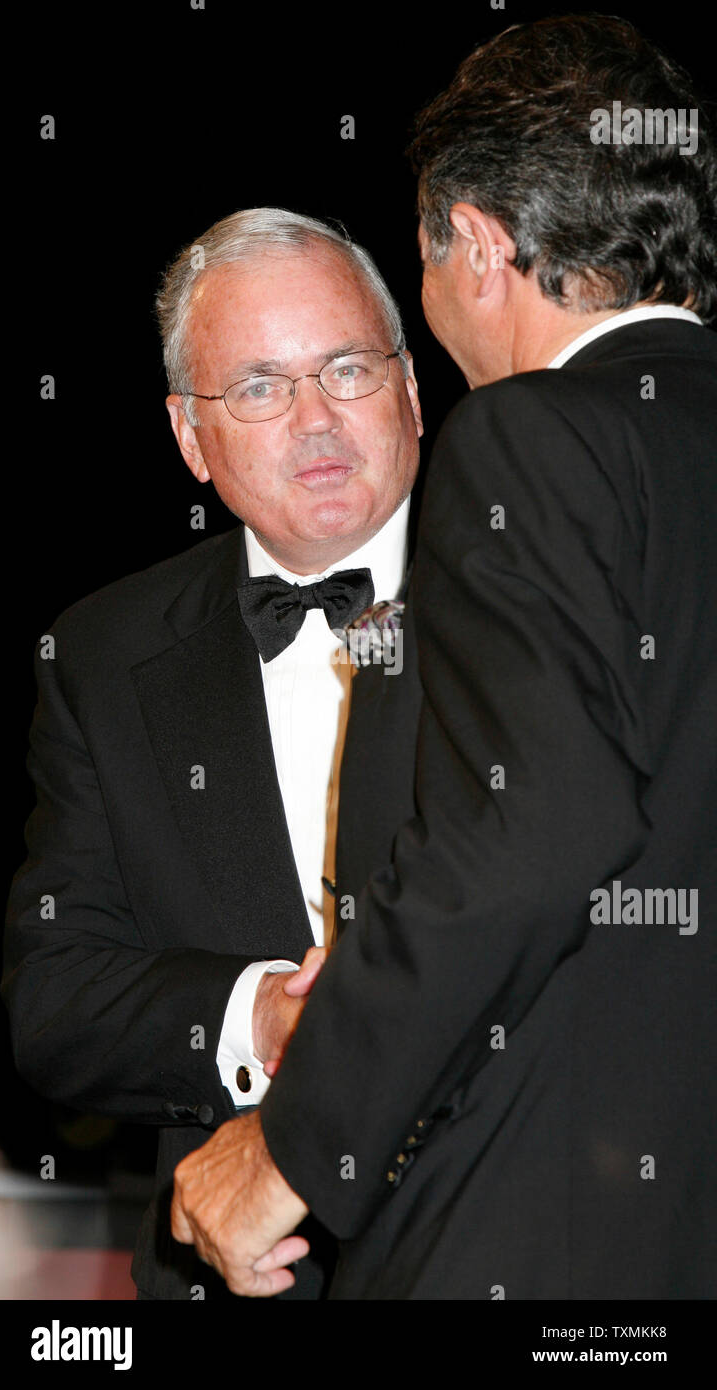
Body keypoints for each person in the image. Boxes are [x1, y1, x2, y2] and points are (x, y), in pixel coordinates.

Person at [170, 16, 717, 1300]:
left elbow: (539, 821)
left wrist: (290, 1145)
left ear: (473, 241)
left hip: (543, 1245)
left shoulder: (531, 435)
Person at [3, 207, 424, 1300]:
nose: (316, 419)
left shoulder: (540, 589)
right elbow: (55, 998)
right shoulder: (102, 654)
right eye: (258, 388)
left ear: (412, 386)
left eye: (347, 367)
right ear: (190, 438)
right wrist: (260, 1013)